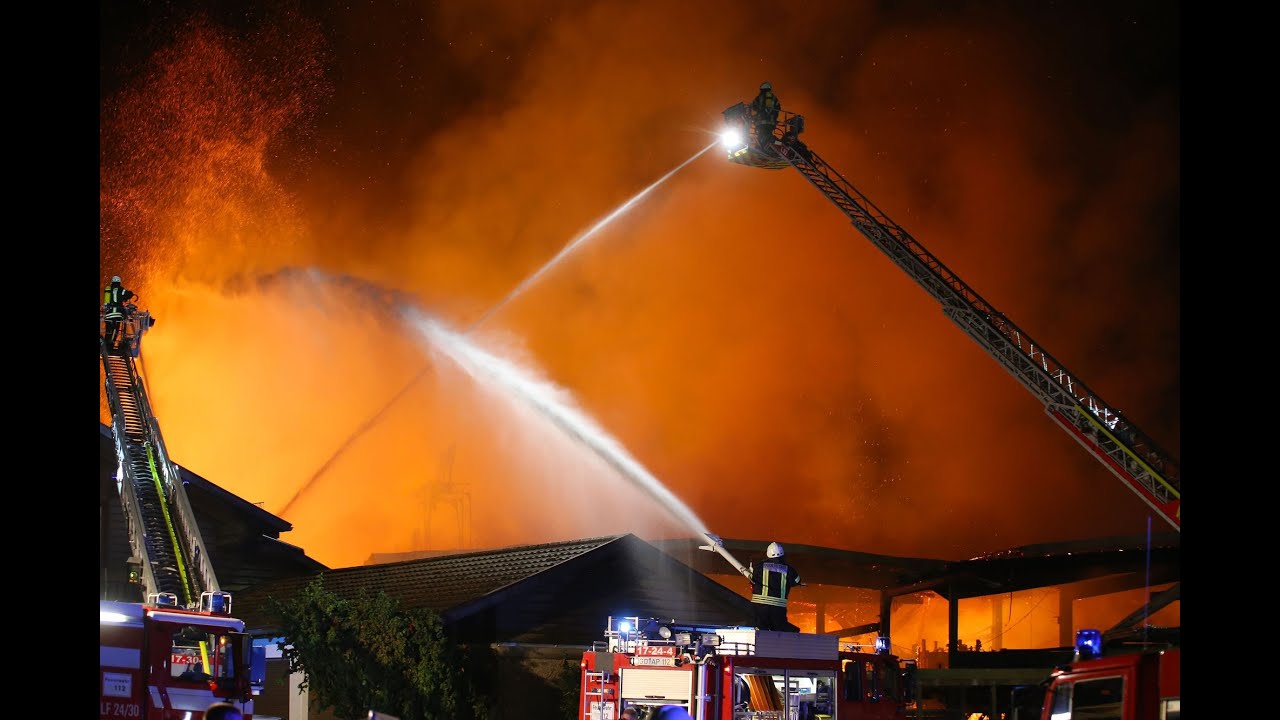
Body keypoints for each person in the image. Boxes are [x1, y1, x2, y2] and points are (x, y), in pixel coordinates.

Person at [748, 541, 803, 632]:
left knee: (760, 630)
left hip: (760, 606)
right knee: (778, 631)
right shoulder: (789, 569)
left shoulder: (758, 567)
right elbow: (797, 581)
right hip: (778, 607)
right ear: (782, 555)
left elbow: (751, 578)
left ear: (768, 554)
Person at [102, 275, 136, 350]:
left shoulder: (109, 289)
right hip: (117, 313)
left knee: (108, 329)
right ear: (119, 282)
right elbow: (127, 294)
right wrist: (131, 293)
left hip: (109, 313)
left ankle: (105, 344)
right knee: (115, 329)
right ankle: (110, 345)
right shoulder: (121, 289)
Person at [750, 81, 782, 147]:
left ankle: (761, 148)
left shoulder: (759, 97)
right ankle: (768, 147)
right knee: (768, 135)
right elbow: (778, 108)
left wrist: (754, 116)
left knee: (761, 135)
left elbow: (753, 107)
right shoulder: (774, 98)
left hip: (760, 122)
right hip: (771, 122)